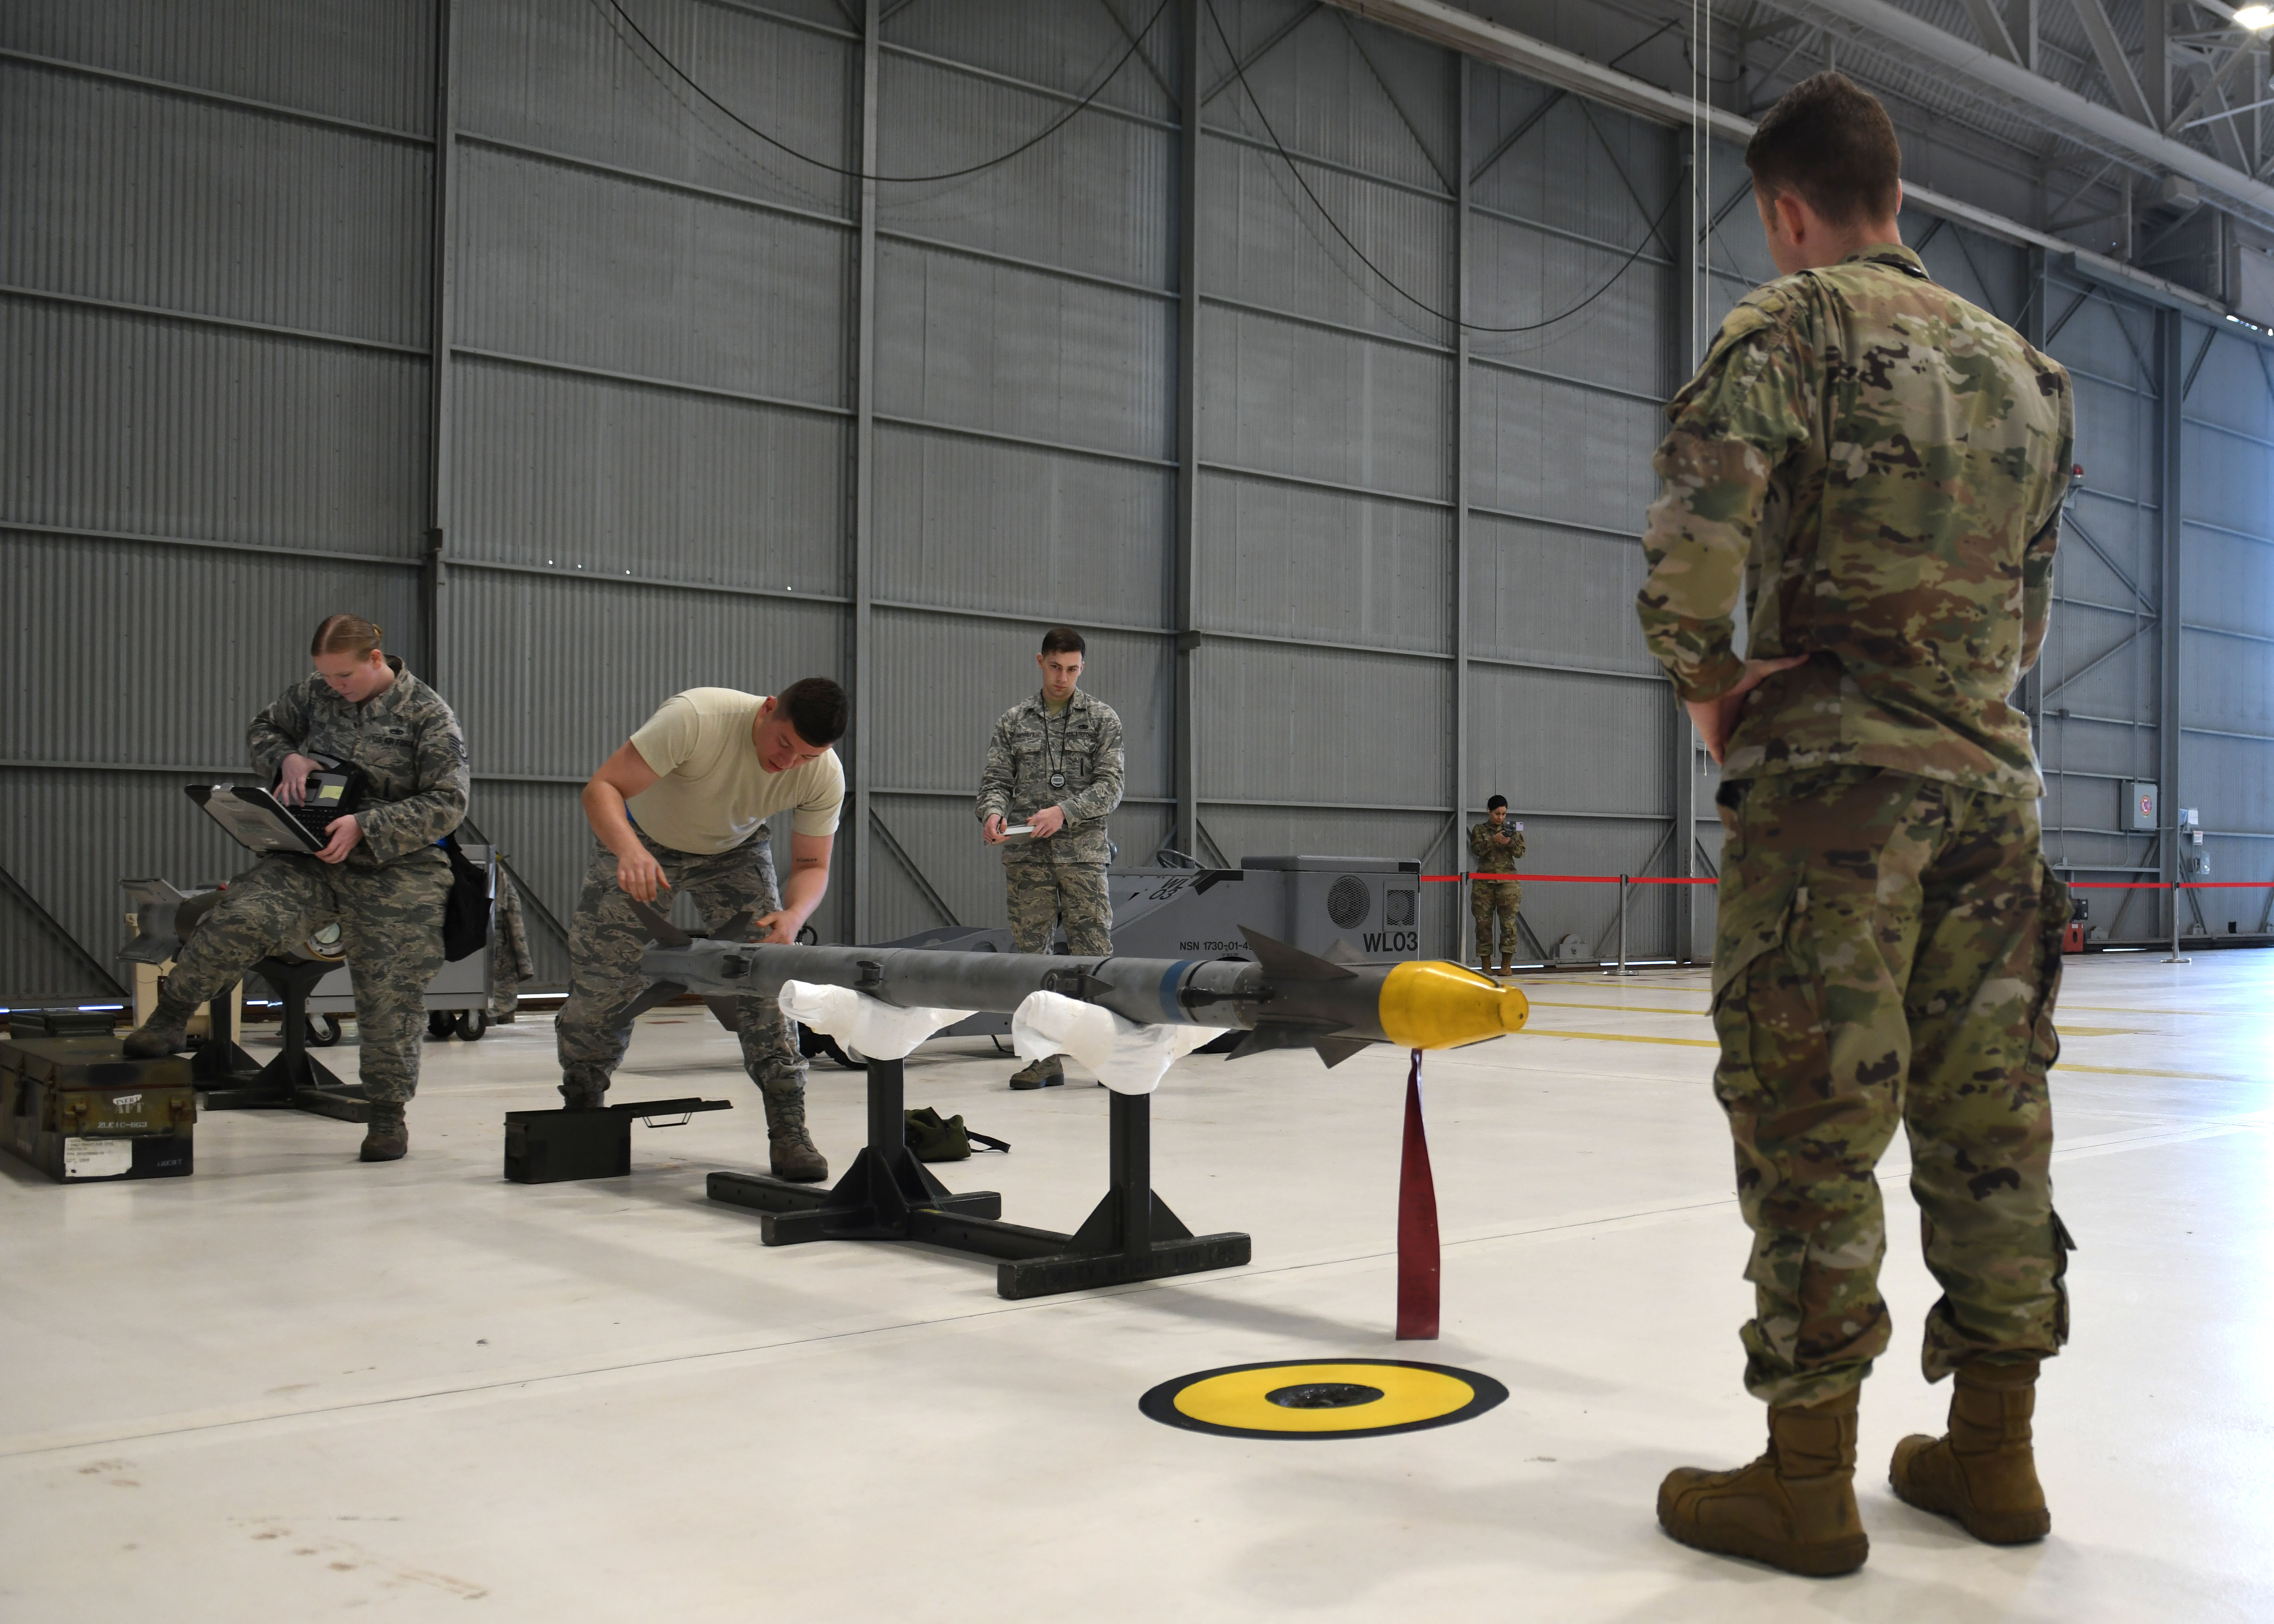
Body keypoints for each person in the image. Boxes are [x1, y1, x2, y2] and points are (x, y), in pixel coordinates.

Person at [1634, 73, 2076, 1578]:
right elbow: (2023, 618)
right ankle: (1992, 1455)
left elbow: (1694, 540)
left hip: (1833, 797)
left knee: (1812, 1118)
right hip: (1992, 797)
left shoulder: (1792, 326)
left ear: (1783, 207)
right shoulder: (2025, 370)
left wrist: (1709, 689)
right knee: (1987, 1119)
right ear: (1894, 192)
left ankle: (1804, 1476)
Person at [123, 615, 468, 1163]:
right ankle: (169, 1020)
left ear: (376, 660)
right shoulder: (314, 692)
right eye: (326, 676)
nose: (334, 687)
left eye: (344, 676)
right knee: (240, 915)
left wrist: (366, 826)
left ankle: (386, 1116)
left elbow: (449, 802)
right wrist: (285, 757)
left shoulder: (429, 715)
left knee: (389, 990)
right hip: (313, 853)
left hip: (396, 866)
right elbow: (265, 726)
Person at [557, 678, 847, 1181]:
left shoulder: (822, 774)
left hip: (735, 851)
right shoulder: (696, 718)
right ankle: (584, 1100)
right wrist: (628, 851)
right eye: (784, 745)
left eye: (805, 756)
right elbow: (602, 788)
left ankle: (788, 1125)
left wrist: (794, 916)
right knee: (602, 983)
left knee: (767, 977)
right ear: (768, 710)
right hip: (642, 840)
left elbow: (811, 864)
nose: (788, 763)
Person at [976, 627, 1124, 1089]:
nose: (1063, 678)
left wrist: (1064, 812)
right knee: (1031, 959)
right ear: (1039, 661)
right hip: (1028, 859)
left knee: (1094, 957)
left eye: (1072, 669)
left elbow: (1111, 787)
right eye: (1056, 667)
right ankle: (1044, 1059)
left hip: (1081, 857)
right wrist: (993, 812)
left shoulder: (1102, 719)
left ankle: (1104, 1056)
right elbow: (996, 779)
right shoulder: (1014, 721)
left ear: (1083, 667)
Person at [1468, 796, 1525, 975]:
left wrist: (1509, 843)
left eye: (1504, 814)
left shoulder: (1513, 829)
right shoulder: (1480, 829)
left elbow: (1521, 853)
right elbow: (1476, 850)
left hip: (1508, 884)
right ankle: (1486, 966)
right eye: (1497, 814)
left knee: (1508, 925)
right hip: (1484, 884)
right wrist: (1493, 840)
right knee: (1483, 925)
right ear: (1489, 811)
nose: (1501, 818)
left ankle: (1506, 965)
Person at [489, 867, 534, 1022]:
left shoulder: (497, 874)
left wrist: (524, 964)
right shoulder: (496, 874)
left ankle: (497, 1013)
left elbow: (515, 921)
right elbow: (516, 922)